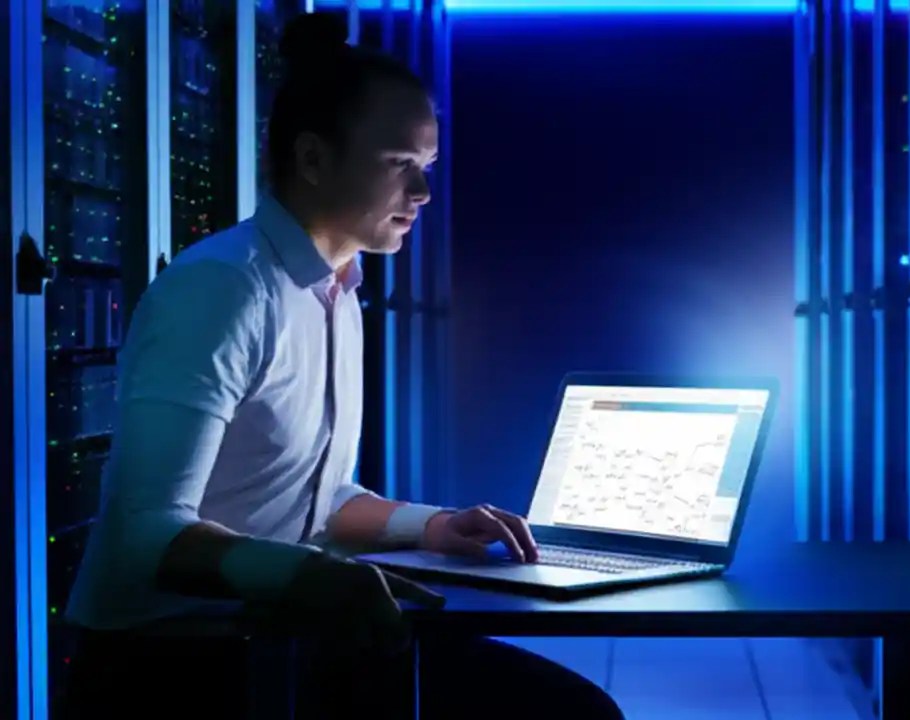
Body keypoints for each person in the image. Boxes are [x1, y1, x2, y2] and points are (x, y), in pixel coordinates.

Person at [64, 13, 624, 720]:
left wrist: (433, 527)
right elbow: (144, 534)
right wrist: (313, 575)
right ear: (313, 159)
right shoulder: (222, 290)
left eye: (428, 167)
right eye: (399, 165)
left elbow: (307, 498)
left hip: (271, 638)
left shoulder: (336, 291)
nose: (422, 192)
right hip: (166, 668)